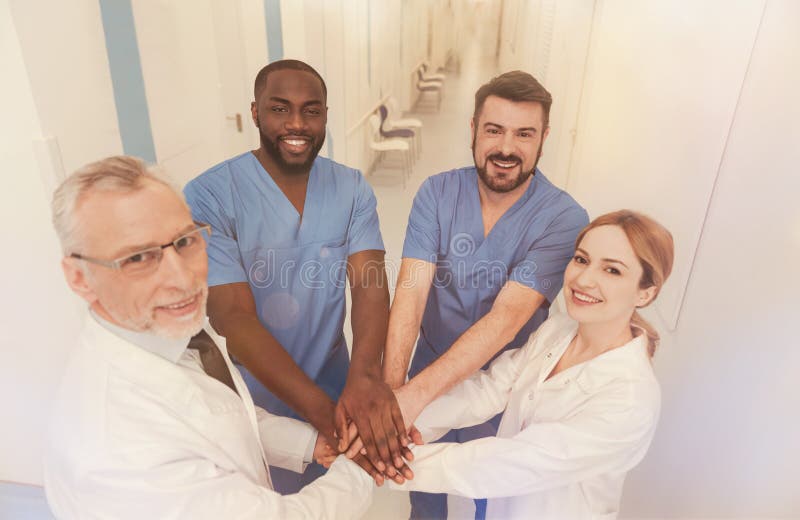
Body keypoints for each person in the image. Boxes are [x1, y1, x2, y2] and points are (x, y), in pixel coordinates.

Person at [43, 156, 377, 519]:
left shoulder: (163, 332)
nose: (183, 278)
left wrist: (311, 443)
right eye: (138, 258)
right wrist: (360, 466)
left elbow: (223, 417)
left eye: (185, 240)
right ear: (79, 277)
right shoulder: (119, 455)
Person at [370, 70, 589, 518]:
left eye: (524, 134)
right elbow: (411, 292)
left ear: (544, 138)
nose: (506, 148)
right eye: (494, 130)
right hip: (428, 364)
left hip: (504, 382)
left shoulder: (563, 217)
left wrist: (410, 399)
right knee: (420, 486)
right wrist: (394, 393)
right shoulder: (437, 193)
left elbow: (506, 320)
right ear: (473, 129)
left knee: (492, 498)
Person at [183, 59, 410, 492]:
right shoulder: (210, 194)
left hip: (337, 377)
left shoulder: (351, 188)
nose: (297, 123)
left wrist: (363, 377)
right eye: (279, 108)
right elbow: (232, 316)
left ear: (325, 115)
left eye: (311, 110)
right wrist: (327, 415)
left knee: (337, 501)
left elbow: (368, 282)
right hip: (257, 396)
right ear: (255, 113)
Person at [390, 210, 675, 520]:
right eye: (581, 259)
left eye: (612, 270)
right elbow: (489, 390)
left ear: (645, 293)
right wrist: (398, 426)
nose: (583, 279)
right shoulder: (559, 329)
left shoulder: (631, 399)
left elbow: (511, 464)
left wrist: (391, 462)